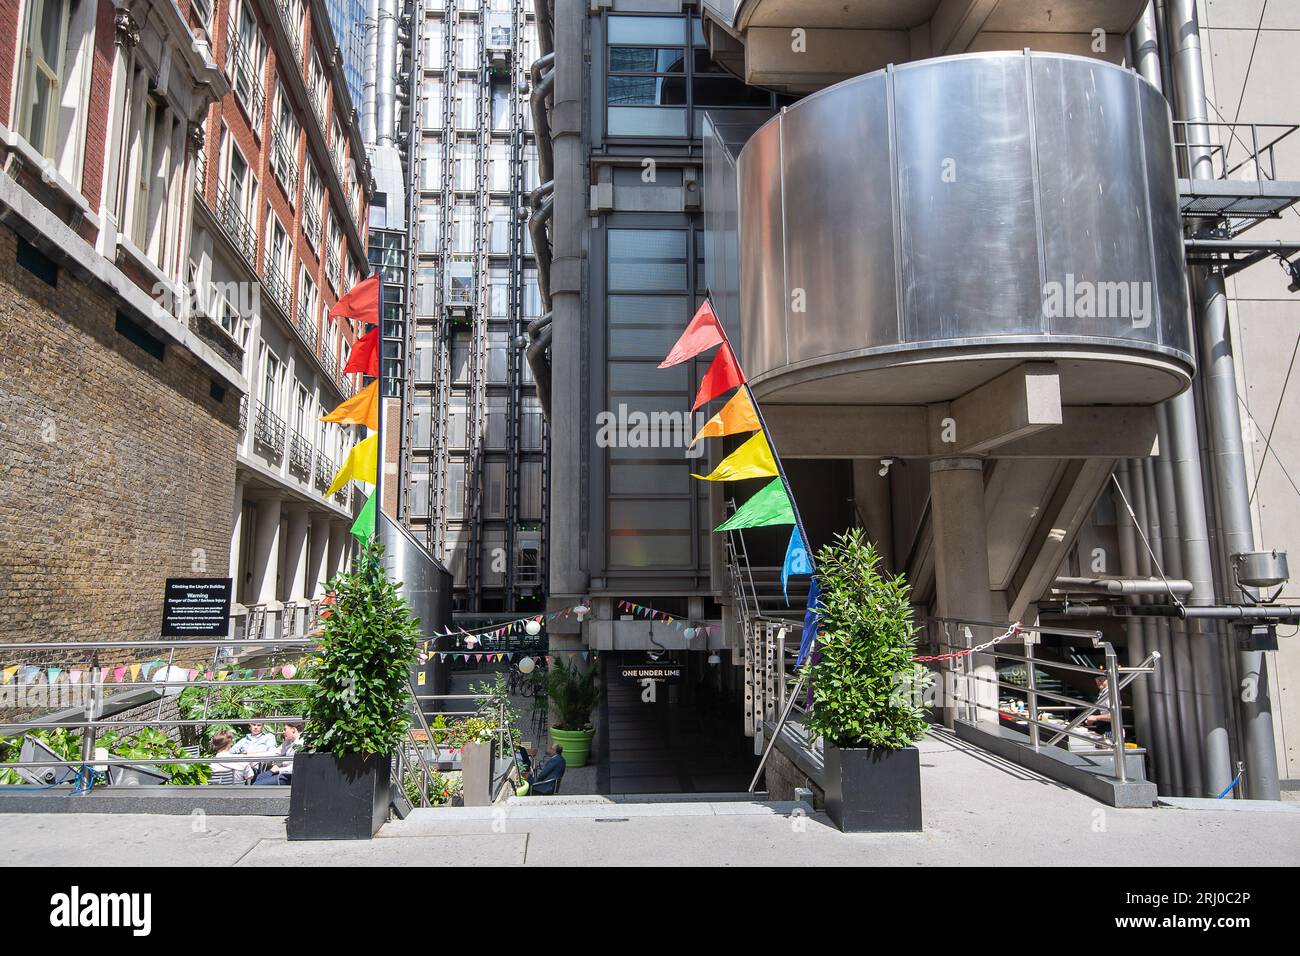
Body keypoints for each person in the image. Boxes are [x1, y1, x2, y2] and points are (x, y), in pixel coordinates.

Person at [253, 722, 303, 786]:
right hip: (282, 771)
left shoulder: (300, 744)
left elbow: (298, 767)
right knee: (256, 778)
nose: (283, 732)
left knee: (257, 784)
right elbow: (275, 752)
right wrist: (254, 757)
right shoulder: (288, 741)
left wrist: (279, 769)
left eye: (285, 729)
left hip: (290, 776)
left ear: (293, 730)